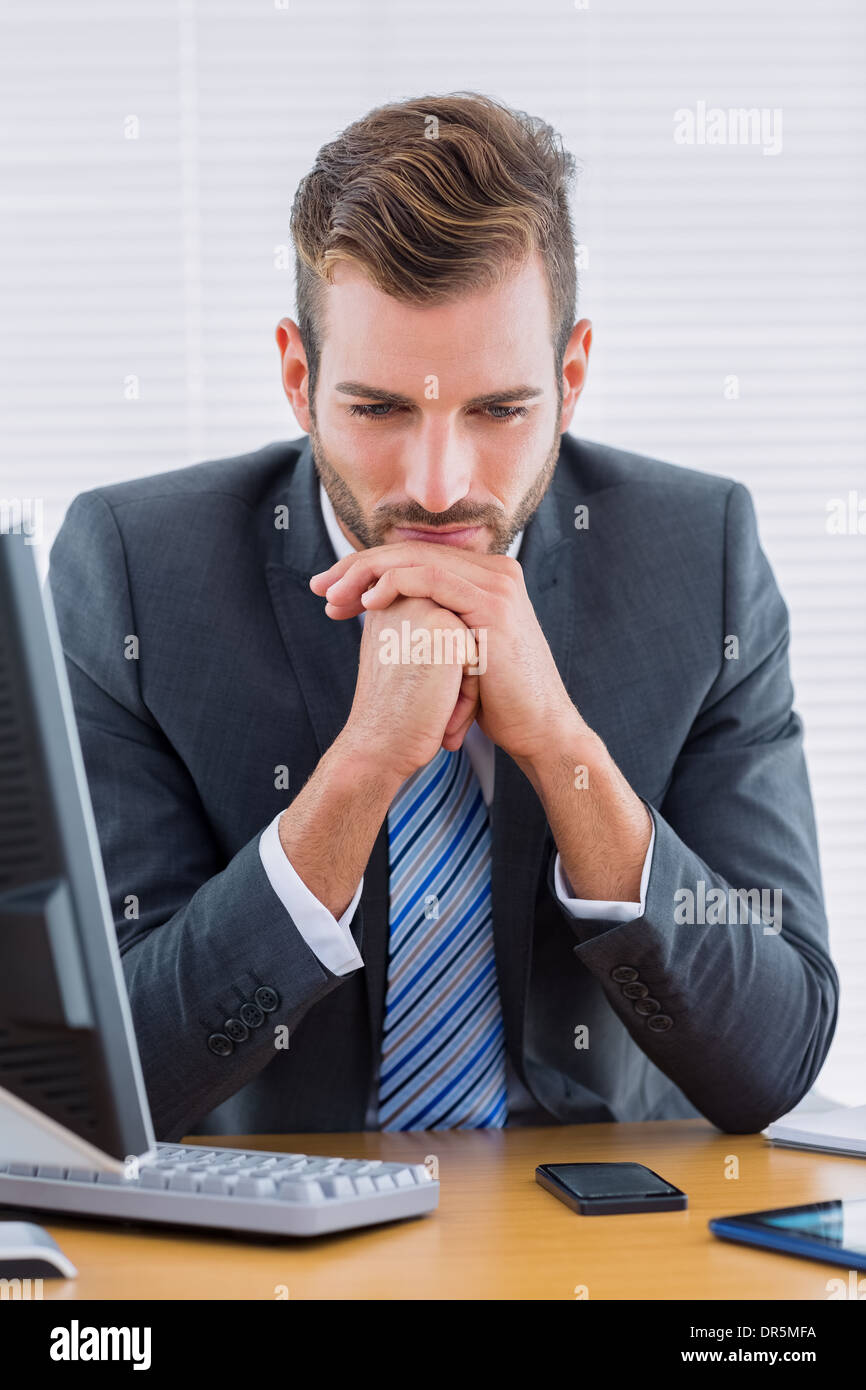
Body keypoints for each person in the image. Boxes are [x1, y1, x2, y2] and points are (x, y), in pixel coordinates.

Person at [48, 92, 837, 1141]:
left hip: (590, 1238)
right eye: (377, 408)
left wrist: (559, 747)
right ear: (298, 377)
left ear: (570, 377)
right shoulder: (135, 571)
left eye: (498, 410)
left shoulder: (699, 561)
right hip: (275, 1240)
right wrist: (360, 770)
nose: (433, 486)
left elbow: (772, 1056)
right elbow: (100, 1083)